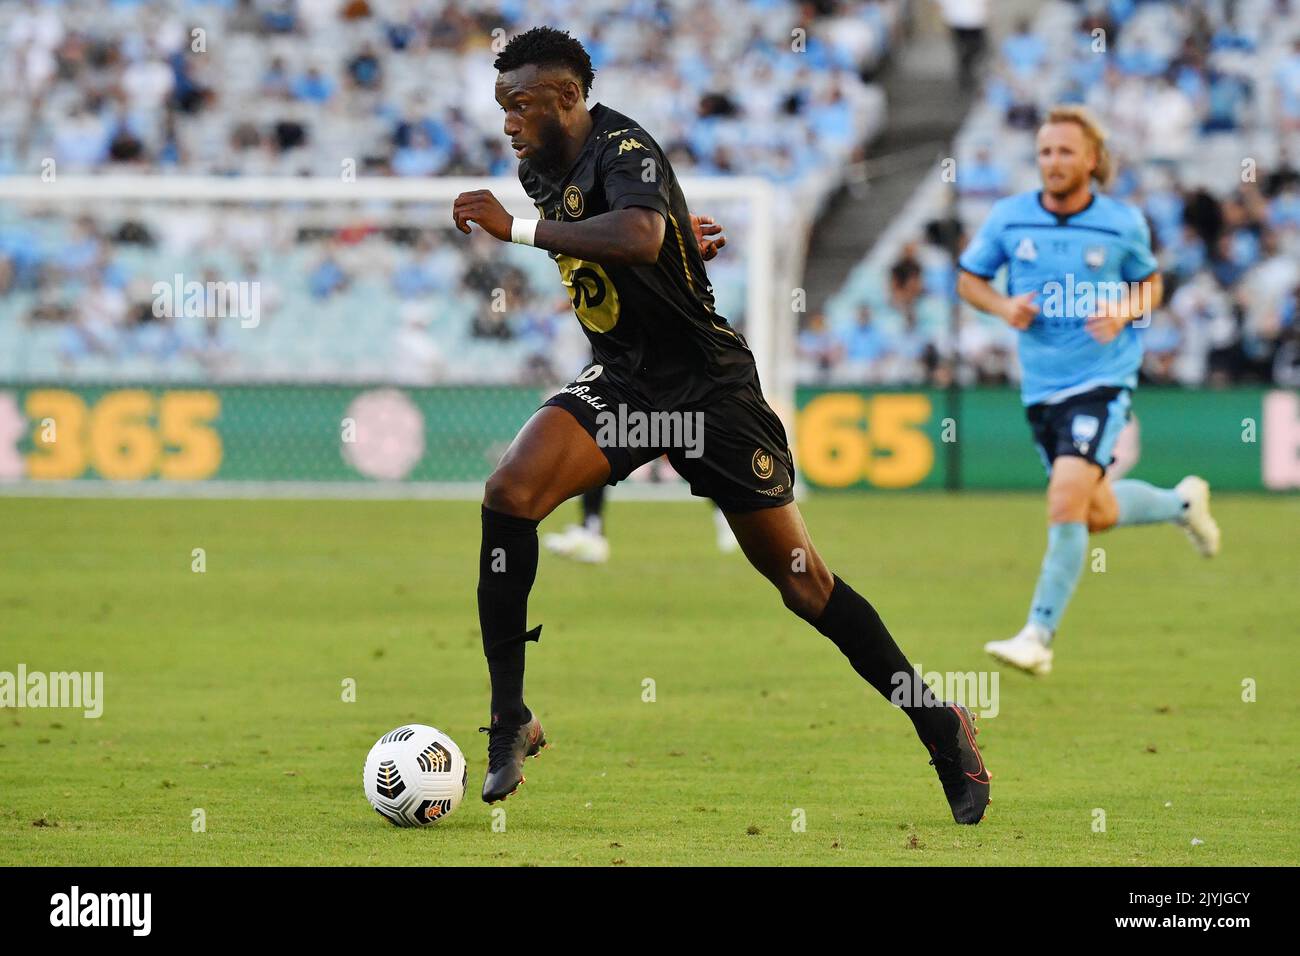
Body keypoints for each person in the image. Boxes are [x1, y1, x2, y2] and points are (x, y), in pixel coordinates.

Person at [452, 27, 989, 824]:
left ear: (568, 97)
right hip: (627, 382)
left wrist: (524, 232)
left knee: (804, 584)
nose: (507, 122)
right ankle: (509, 720)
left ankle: (939, 724)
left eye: (520, 104)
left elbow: (637, 234)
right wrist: (674, 245)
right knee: (509, 494)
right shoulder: (539, 167)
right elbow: (638, 242)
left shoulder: (624, 144)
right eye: (503, 106)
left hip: (710, 390)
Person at [956, 105, 1220, 677]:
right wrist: (1004, 305)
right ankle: (1181, 504)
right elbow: (968, 279)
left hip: (1100, 381)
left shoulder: (1121, 222)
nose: (1053, 162)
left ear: (1092, 159)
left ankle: (1037, 635)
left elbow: (1151, 283)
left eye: (1065, 151)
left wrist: (1125, 309)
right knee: (1093, 511)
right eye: (1045, 152)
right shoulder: (1009, 218)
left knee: (1063, 500)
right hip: (1041, 390)